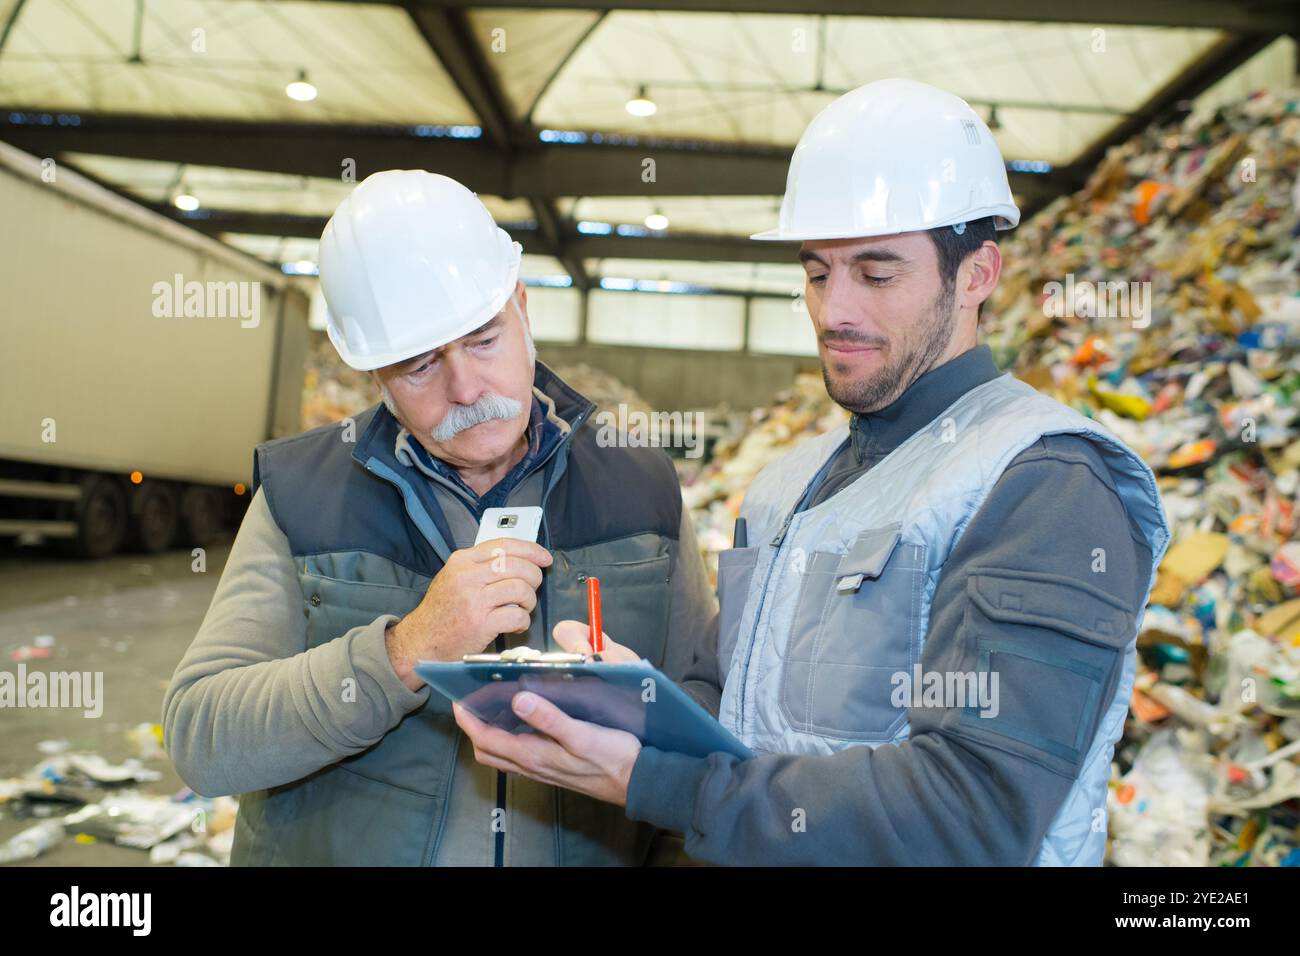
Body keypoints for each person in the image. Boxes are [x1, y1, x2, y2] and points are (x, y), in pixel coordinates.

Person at [454, 79, 1172, 866]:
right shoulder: (786, 485)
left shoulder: (1047, 483)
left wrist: (663, 786)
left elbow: (972, 813)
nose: (834, 312)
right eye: (817, 272)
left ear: (976, 275)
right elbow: (736, 703)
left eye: (877, 273)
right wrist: (636, 712)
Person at [162, 170, 716, 866]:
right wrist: (405, 650)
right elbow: (203, 740)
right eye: (421, 366)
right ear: (375, 374)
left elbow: (706, 715)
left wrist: (636, 713)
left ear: (520, 305)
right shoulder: (302, 497)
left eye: (483, 340)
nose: (467, 388)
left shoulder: (640, 486)